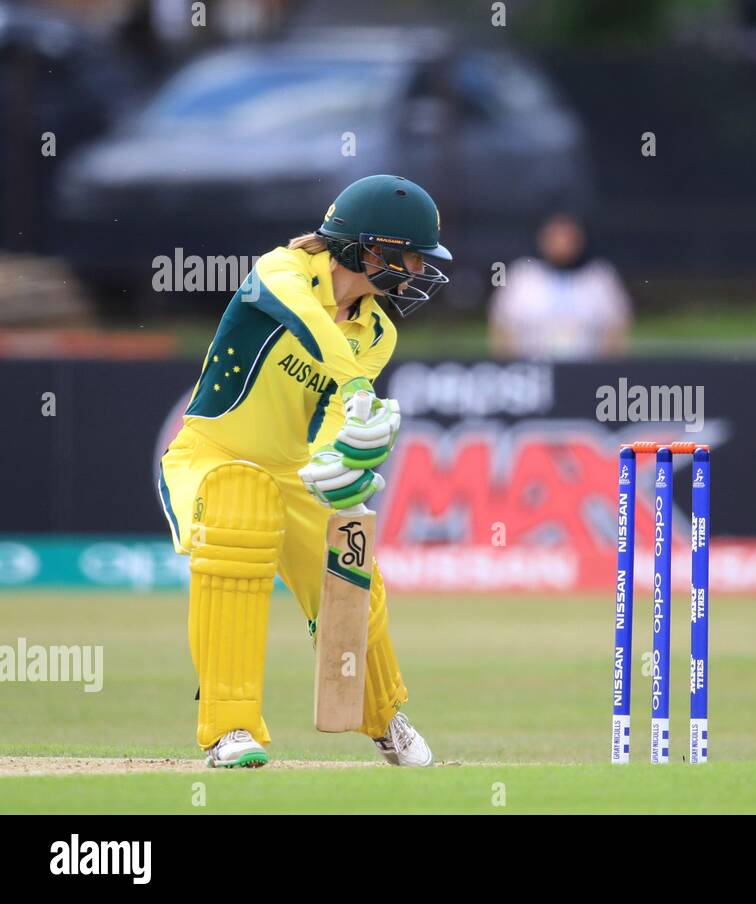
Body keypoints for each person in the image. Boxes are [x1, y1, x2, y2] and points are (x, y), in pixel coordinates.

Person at [157, 174, 450, 768]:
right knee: (240, 518)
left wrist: (345, 459)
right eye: (411, 258)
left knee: (351, 569)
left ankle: (384, 717)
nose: (417, 272)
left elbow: (336, 419)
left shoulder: (378, 330)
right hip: (211, 455)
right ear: (370, 249)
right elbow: (312, 330)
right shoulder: (280, 271)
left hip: (291, 470)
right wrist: (356, 380)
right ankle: (230, 730)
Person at [488, 211, 632, 360]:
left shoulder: (599, 277)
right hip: (534, 369)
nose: (562, 243)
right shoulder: (523, 276)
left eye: (568, 237)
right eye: (556, 237)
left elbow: (616, 330)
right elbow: (502, 327)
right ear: (543, 239)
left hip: (587, 369)